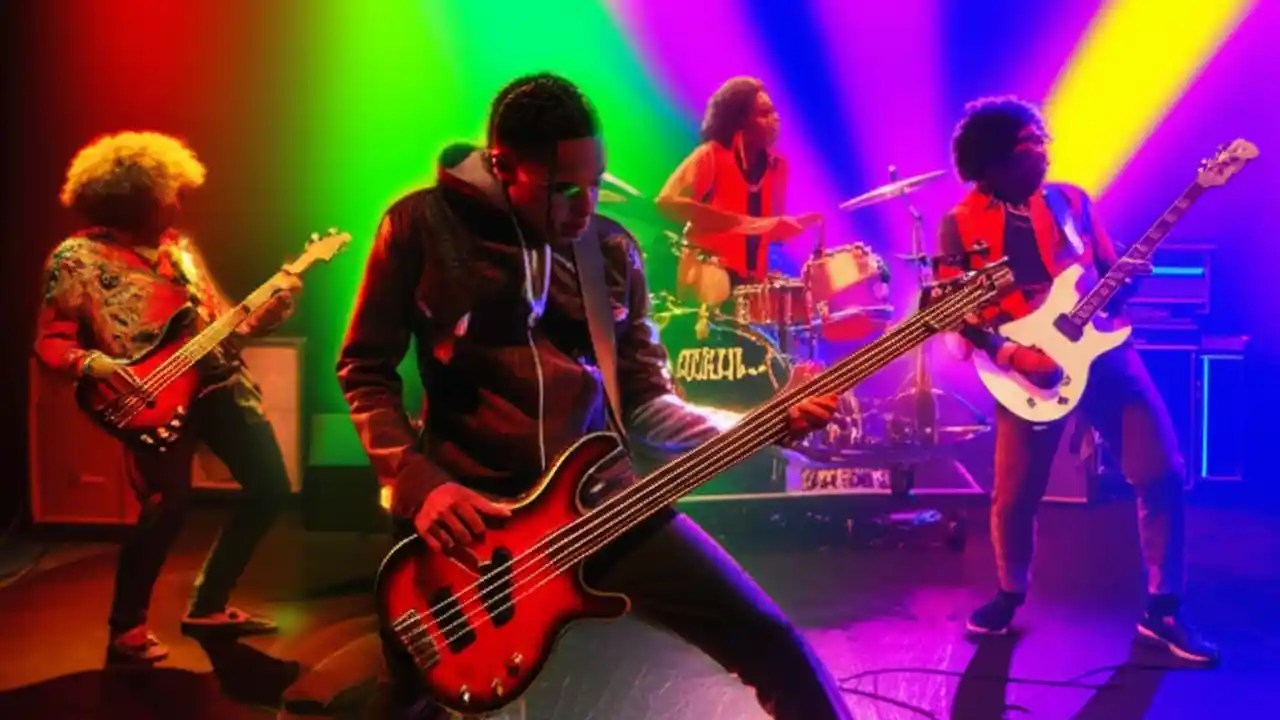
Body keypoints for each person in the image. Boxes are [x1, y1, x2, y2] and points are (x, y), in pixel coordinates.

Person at [337, 73, 852, 719]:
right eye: (565, 189)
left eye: (598, 182)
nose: (586, 205)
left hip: (599, 502)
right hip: (472, 514)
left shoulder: (609, 249)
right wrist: (418, 481)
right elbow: (364, 368)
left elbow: (645, 401)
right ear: (504, 166)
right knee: (417, 702)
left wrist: (752, 423)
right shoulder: (420, 226)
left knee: (773, 644)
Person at [935, 97, 1217, 664]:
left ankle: (1163, 610)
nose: (1043, 149)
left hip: (1105, 352)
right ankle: (1009, 593)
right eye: (1027, 143)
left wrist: (1129, 280)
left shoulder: (1071, 201)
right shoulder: (958, 224)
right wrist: (1013, 354)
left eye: (1043, 138)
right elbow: (953, 309)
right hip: (1027, 369)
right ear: (990, 160)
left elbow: (1108, 274)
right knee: (1014, 498)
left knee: (1162, 471)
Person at [34, 131, 300, 662]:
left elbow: (222, 321)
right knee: (166, 508)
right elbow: (50, 342)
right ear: (134, 196)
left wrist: (265, 316)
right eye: (169, 192)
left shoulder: (179, 249)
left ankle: (209, 602)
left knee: (269, 487)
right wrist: (93, 363)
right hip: (148, 399)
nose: (179, 201)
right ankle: (126, 626)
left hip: (221, 384)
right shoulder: (76, 260)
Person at [656, 75, 822, 287]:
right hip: (706, 280)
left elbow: (768, 231)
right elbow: (666, 203)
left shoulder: (778, 166)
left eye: (774, 111)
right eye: (764, 113)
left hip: (751, 288)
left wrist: (791, 227)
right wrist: (746, 224)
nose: (776, 118)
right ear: (739, 121)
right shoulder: (710, 156)